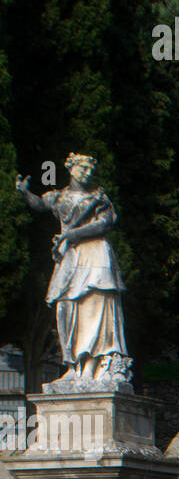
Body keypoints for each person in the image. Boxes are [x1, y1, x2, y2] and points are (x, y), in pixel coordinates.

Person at [15, 153, 131, 387]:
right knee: (65, 307)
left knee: (94, 306)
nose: (87, 173)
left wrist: (72, 234)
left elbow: (105, 224)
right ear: (71, 168)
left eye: (90, 169)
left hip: (95, 255)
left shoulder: (99, 198)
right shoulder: (61, 196)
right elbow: (40, 204)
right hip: (70, 258)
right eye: (82, 168)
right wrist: (24, 193)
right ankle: (73, 365)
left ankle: (94, 365)